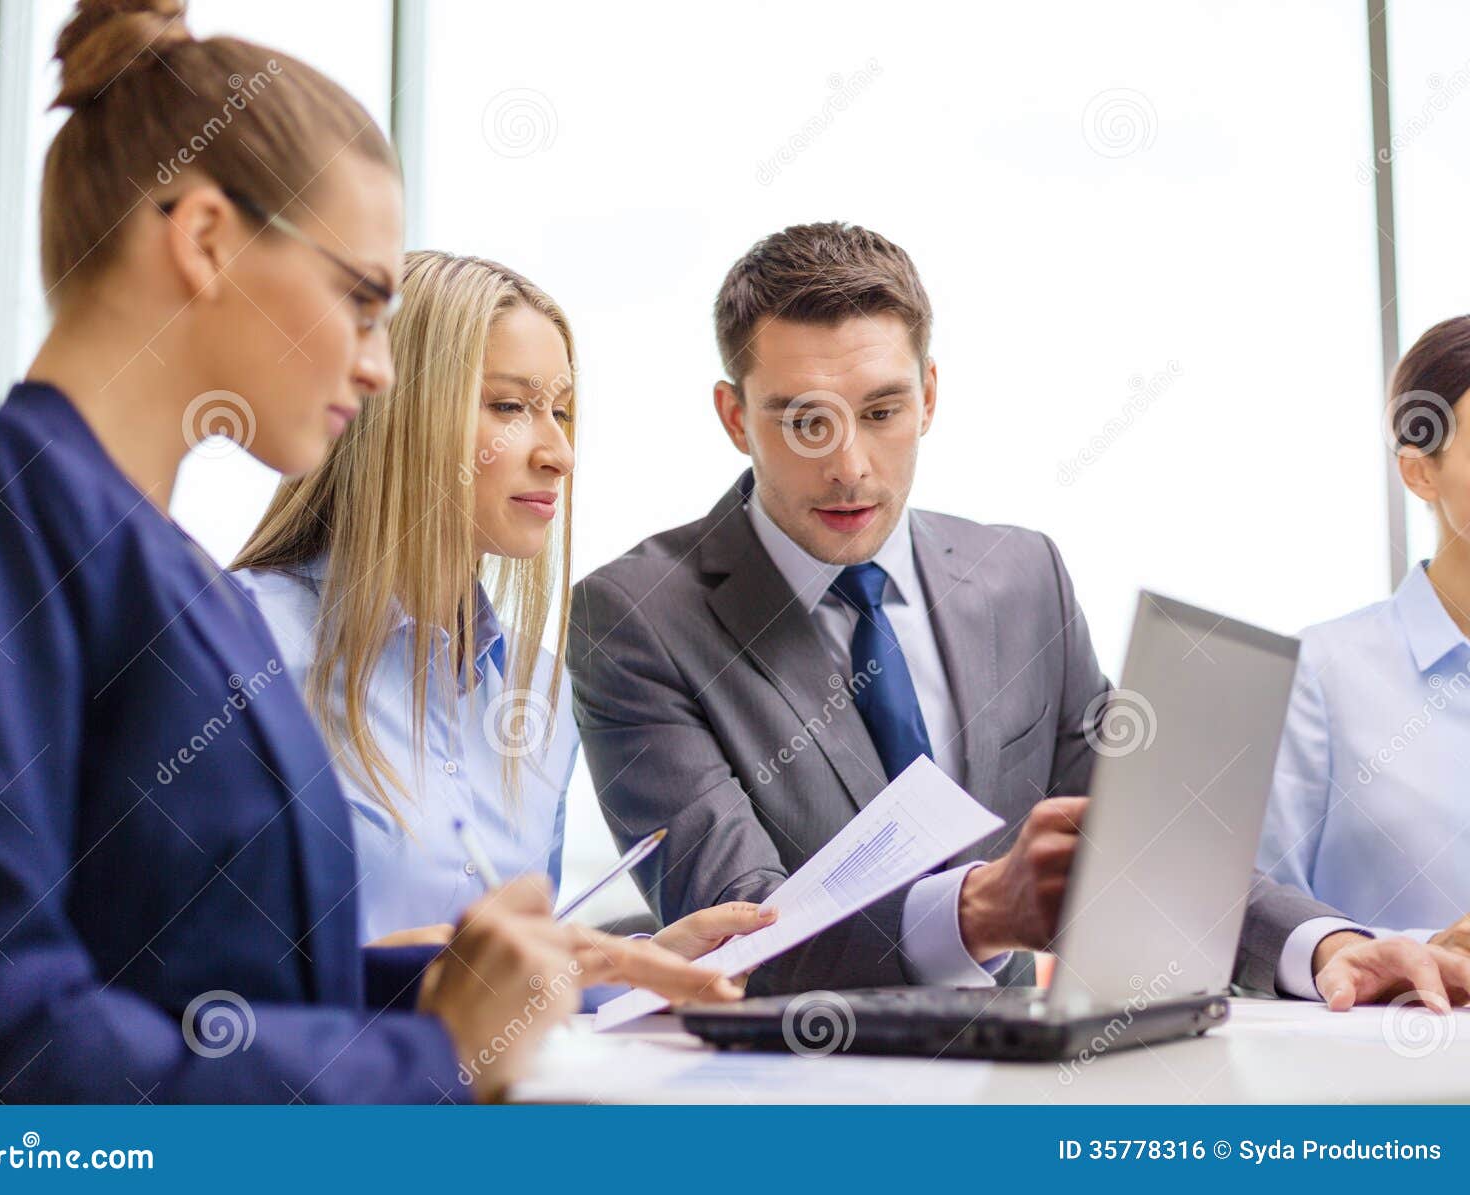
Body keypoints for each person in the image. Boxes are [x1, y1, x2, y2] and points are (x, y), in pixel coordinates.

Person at [0, 0, 725, 1105]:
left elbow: (217, 986)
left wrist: (495, 979)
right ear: (208, 240)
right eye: (362, 299)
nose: (378, 368)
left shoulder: (179, 583)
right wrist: (428, 1056)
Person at [567, 221, 1470, 1011]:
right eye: (804, 421)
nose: (849, 466)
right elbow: (734, 930)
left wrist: (1331, 949)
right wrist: (976, 910)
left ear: (930, 394)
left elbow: (1140, 832)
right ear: (733, 416)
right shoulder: (639, 620)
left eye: (882, 411)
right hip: (796, 1105)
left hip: (1012, 1088)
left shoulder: (1020, 576)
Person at [232, 251, 772, 977]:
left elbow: (508, 993)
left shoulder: (535, 693)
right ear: (398, 405)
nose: (558, 453)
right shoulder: (240, 644)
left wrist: (628, 967)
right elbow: (200, 979)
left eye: (563, 412)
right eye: (511, 406)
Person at [1258, 316, 1470, 1006]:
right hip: (1382, 1091)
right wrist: (1413, 956)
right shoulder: (1320, 674)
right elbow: (1248, 918)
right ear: (1419, 471)